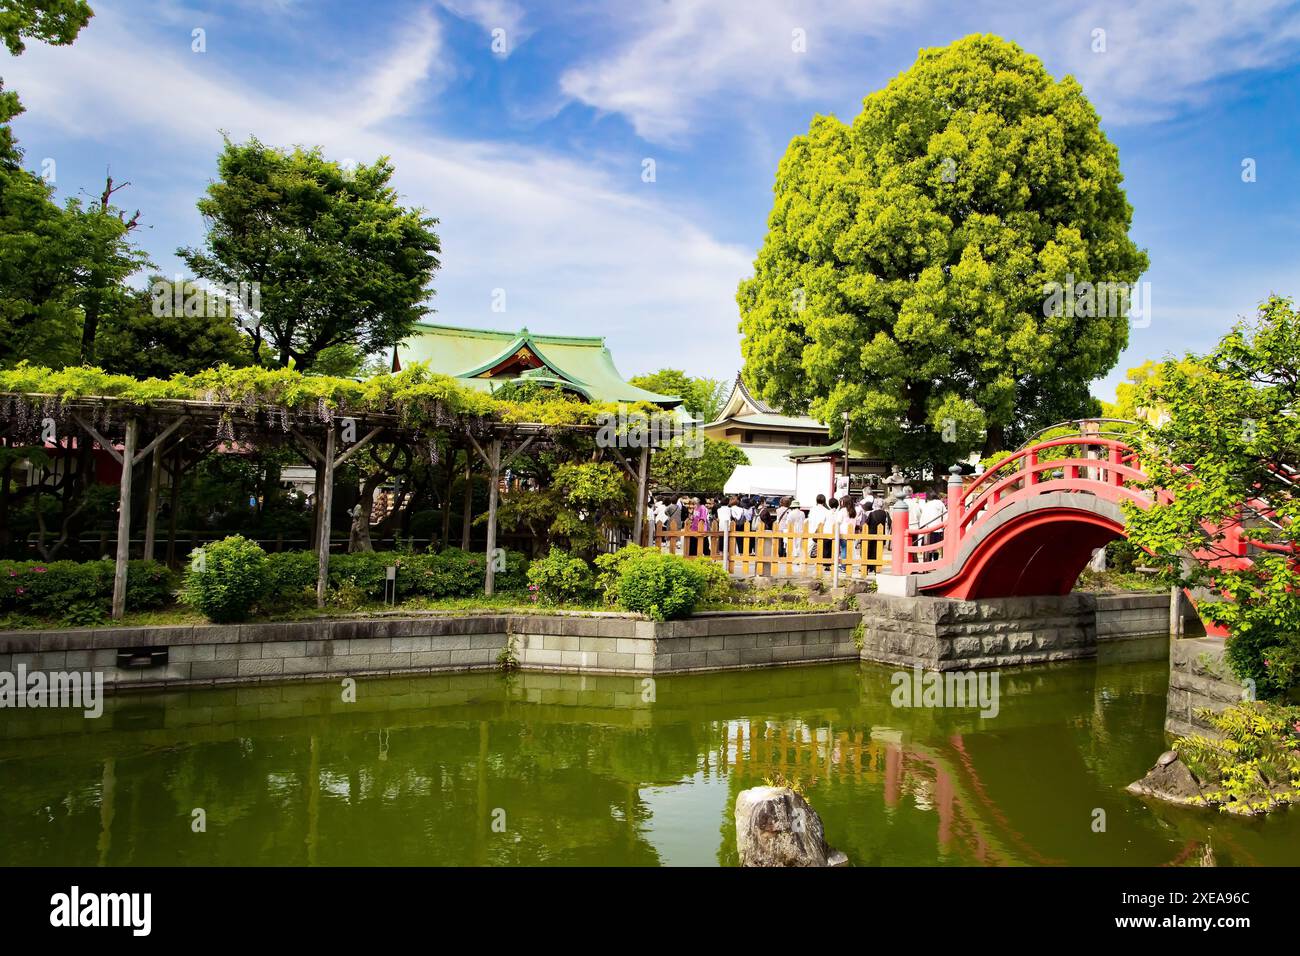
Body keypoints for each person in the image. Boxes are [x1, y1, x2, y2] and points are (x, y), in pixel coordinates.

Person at [865, 497, 890, 568]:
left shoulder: (871, 514)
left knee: (870, 550)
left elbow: (866, 524)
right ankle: (876, 567)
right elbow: (890, 524)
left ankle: (869, 566)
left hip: (871, 534)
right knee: (878, 551)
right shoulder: (886, 513)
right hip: (881, 534)